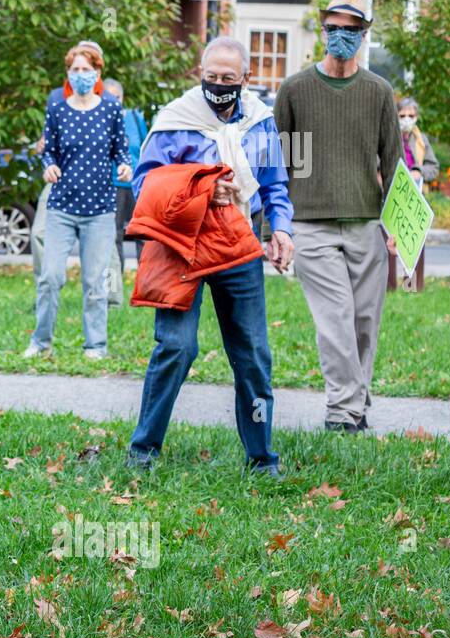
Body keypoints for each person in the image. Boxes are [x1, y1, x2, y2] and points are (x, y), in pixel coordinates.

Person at [126, 37, 294, 474]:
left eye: (228, 79)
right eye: (212, 77)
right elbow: (144, 185)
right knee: (177, 347)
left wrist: (282, 229)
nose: (219, 85)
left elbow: (275, 185)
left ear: (246, 79)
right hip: (180, 246)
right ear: (200, 74)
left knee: (253, 352)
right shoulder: (176, 119)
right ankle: (143, 450)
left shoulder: (261, 122)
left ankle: (262, 459)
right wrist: (201, 188)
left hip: (238, 245)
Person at [274, 0, 400, 433]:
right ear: (322, 31)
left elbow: (394, 164)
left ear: (364, 35)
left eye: (351, 30)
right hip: (312, 224)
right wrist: (278, 226)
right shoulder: (295, 91)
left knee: (365, 321)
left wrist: (397, 225)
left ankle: (354, 406)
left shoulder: (378, 92)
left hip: (368, 223)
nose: (341, 36)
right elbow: (286, 162)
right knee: (336, 320)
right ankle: (341, 412)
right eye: (334, 28)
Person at [25, 43, 130, 359]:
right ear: (68, 74)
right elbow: (49, 151)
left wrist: (125, 167)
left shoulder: (111, 109)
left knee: (95, 282)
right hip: (62, 208)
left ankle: (95, 345)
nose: (81, 74)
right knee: (50, 278)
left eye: (87, 69)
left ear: (97, 72)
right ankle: (41, 342)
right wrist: (49, 167)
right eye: (75, 70)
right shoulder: (57, 109)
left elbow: (120, 150)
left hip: (99, 210)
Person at [103, 77, 147, 306]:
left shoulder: (134, 118)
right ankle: (112, 290)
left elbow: (146, 147)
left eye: (116, 98)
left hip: (136, 185)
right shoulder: (99, 119)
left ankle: (146, 288)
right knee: (112, 239)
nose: (114, 102)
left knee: (143, 237)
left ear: (123, 98)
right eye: (108, 98)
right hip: (110, 186)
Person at [389, 97, 437, 291]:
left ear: (416, 117)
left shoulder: (421, 139)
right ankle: (388, 287)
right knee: (389, 244)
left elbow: (433, 167)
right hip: (392, 197)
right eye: (403, 115)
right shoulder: (389, 136)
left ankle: (412, 287)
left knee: (414, 245)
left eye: (411, 115)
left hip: (416, 200)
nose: (407, 119)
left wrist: (419, 171)